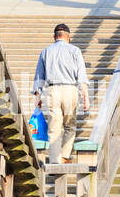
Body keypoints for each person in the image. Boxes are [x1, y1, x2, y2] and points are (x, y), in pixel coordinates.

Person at [32, 23, 90, 163]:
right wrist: (86, 98)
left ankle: (54, 160)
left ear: (54, 37)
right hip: (70, 90)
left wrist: (38, 98)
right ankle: (64, 155)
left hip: (52, 91)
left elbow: (39, 78)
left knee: (54, 127)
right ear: (68, 37)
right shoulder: (75, 51)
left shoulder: (46, 51)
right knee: (70, 125)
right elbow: (81, 76)